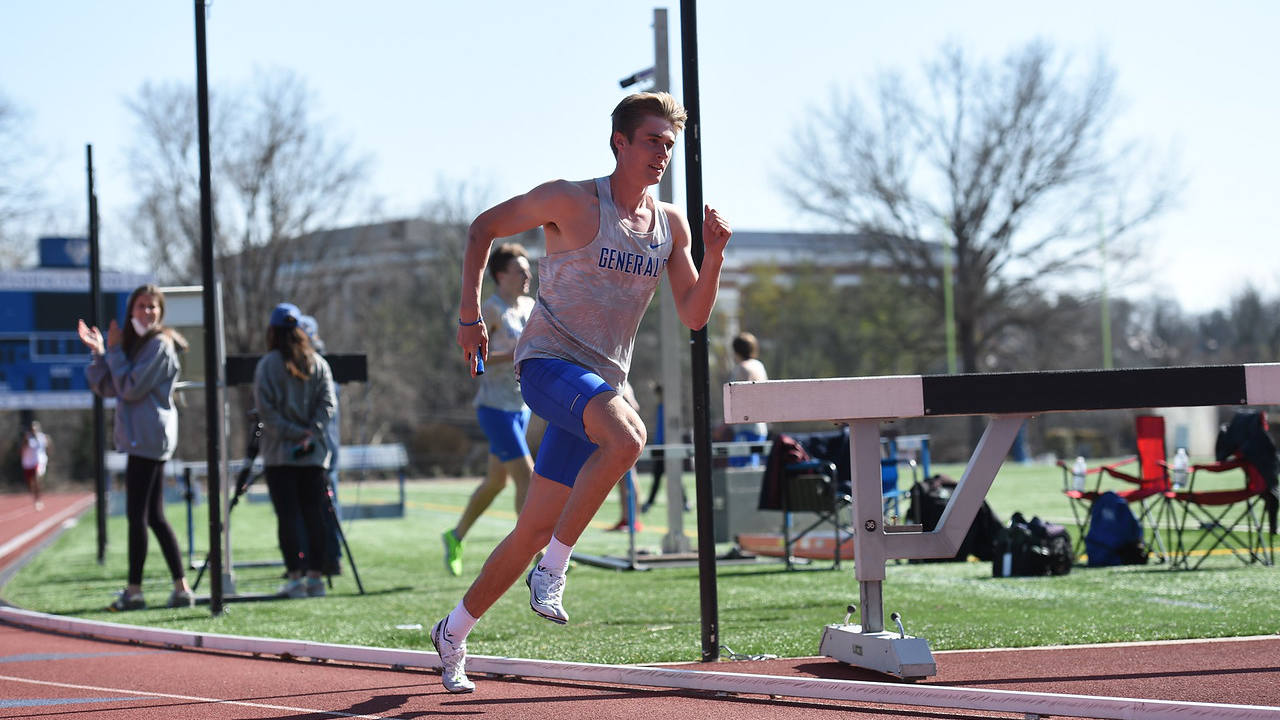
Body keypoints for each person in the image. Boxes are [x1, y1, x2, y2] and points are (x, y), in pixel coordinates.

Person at [435, 91, 732, 694]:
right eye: (652, 141)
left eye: (669, 145)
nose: (662, 154)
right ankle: (555, 570)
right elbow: (482, 229)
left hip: (600, 383)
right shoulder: (570, 200)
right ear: (619, 142)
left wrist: (716, 253)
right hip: (546, 365)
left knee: (532, 527)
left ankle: (452, 633)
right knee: (629, 437)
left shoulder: (669, 225)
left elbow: (694, 315)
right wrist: (469, 314)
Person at [78, 284, 194, 611]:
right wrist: (100, 351)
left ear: (161, 312)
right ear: (131, 310)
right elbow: (107, 385)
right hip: (141, 438)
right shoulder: (135, 345)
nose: (147, 312)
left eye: (153, 307)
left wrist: (113, 352)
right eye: (141, 306)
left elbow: (128, 389)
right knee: (154, 516)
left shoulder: (159, 344)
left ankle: (134, 591)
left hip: (148, 438)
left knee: (137, 515)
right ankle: (181, 588)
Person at [443, 243, 537, 576]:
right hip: (494, 408)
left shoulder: (530, 306)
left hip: (521, 407)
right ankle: (535, 555)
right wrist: (514, 352)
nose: (527, 274)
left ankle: (454, 537)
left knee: (496, 482)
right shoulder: (492, 310)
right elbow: (471, 359)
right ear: (500, 276)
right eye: (519, 270)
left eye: (527, 269)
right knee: (527, 478)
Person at [253, 302, 337, 600]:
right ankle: (316, 579)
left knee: (287, 517)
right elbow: (328, 405)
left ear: (272, 332)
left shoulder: (266, 366)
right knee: (314, 516)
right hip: (313, 455)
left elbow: (267, 413)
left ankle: (294, 579)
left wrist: (293, 434)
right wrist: (310, 433)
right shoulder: (318, 363)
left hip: (279, 456)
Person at [296, 314, 344, 576]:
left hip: (324, 448)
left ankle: (332, 557)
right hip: (310, 448)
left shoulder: (321, 367)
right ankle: (308, 559)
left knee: (327, 505)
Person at [728, 331, 769, 467]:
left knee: (743, 469)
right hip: (760, 426)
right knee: (754, 465)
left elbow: (738, 398)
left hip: (746, 427)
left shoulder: (742, 368)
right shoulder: (759, 365)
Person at [20, 420, 50, 510]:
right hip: (27, 463)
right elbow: (21, 450)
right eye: (32, 429)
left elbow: (48, 447)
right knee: (30, 484)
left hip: (38, 461)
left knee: (37, 480)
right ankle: (35, 496)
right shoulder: (27, 438)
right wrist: (25, 443)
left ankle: (38, 500)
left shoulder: (43, 437)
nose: (34, 430)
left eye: (35, 429)